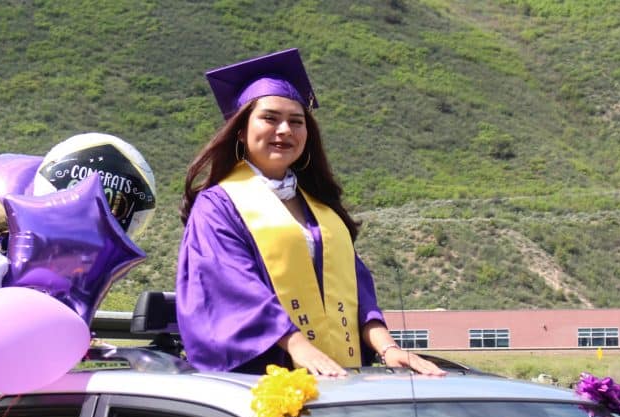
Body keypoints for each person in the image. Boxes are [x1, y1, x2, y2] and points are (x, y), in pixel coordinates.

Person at [176, 49, 445, 377]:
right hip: (262, 385)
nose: (285, 130)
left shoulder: (321, 209)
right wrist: (298, 345)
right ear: (241, 131)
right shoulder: (219, 206)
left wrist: (389, 349)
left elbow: (355, 292)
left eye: (296, 121)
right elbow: (230, 289)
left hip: (338, 380)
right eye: (270, 118)